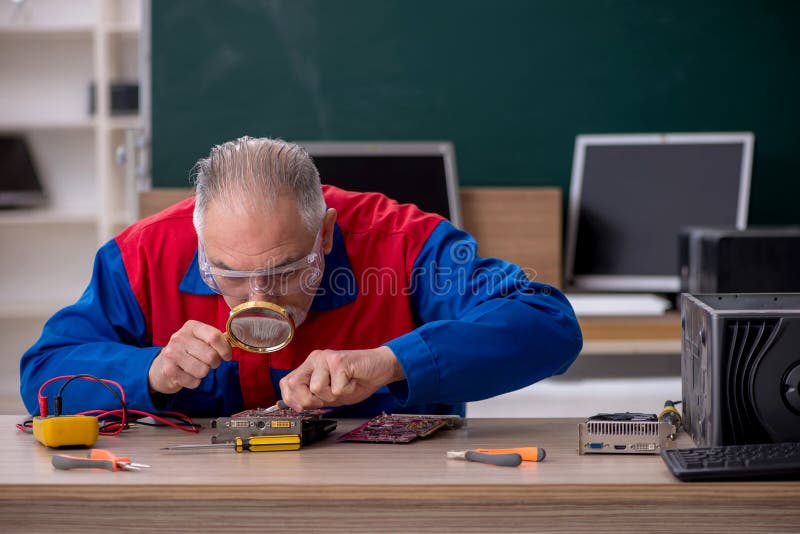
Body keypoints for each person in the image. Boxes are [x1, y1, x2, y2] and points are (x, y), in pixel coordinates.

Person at [20, 137, 582, 417]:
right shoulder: (143, 254)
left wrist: (391, 361)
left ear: (327, 233)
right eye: (231, 275)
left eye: (287, 270)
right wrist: (151, 371)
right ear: (200, 242)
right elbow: (43, 373)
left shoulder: (403, 244)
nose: (260, 301)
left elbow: (548, 323)